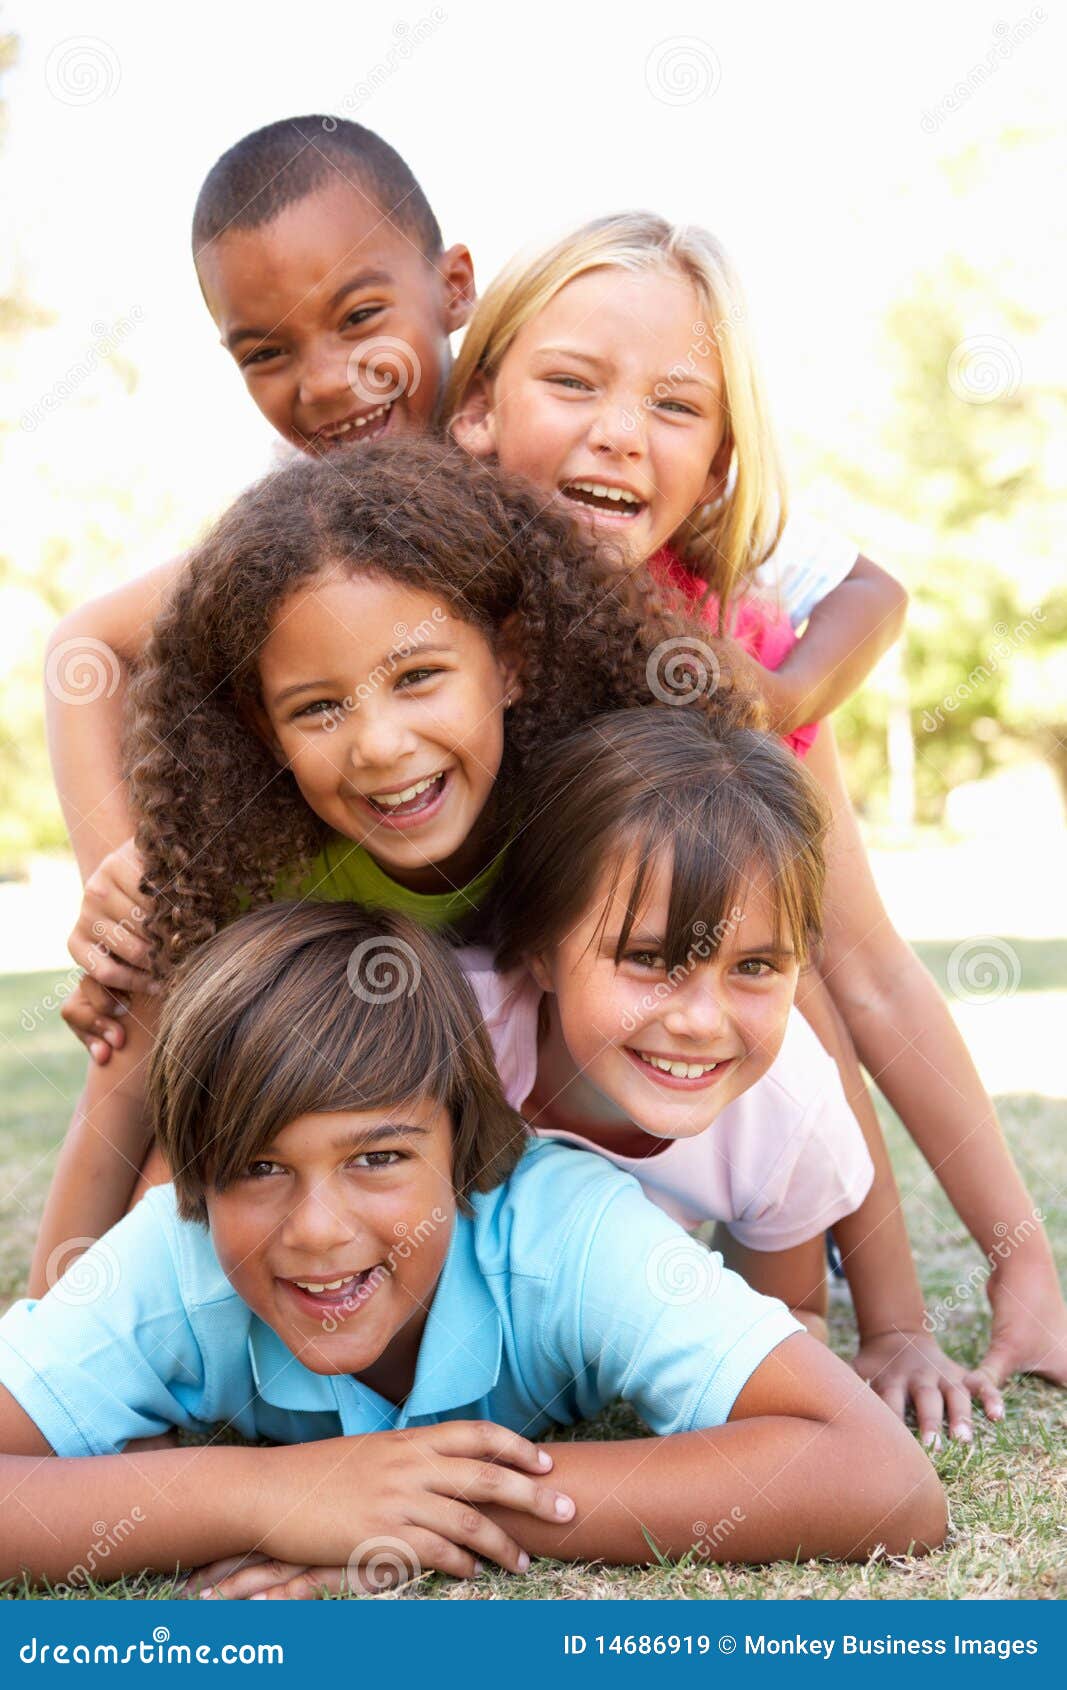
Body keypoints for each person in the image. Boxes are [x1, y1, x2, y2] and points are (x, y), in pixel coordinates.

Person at [444, 210, 1067, 1403]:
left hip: (656, 1083)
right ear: (476, 410)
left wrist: (1002, 1269)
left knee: (768, 951)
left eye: (675, 408)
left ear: (721, 460)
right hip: (462, 1078)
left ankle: (821, 1298)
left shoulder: (720, 659)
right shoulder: (407, 606)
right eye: (571, 382)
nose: (620, 433)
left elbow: (863, 969)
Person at [0, 902, 946, 1597]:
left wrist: (432, 1508)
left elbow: (881, 1480)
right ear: (198, 1181)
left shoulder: (566, 1233)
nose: (318, 1229)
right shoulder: (177, 1256)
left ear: (463, 1149)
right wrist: (266, 1493)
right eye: (257, 1166)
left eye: (378, 1158)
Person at [28, 441, 749, 1292]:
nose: (377, 745)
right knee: (175, 1149)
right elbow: (118, 1106)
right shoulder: (249, 871)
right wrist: (50, 1336)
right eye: (319, 707)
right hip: (359, 1207)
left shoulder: (590, 814)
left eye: (418, 677)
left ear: (510, 661)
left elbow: (769, 999)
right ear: (264, 730)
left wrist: (888, 1324)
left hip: (562, 1199)